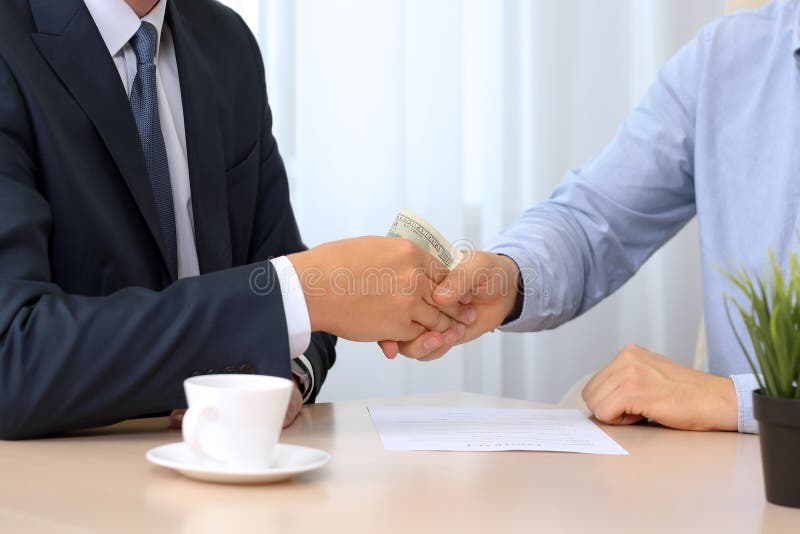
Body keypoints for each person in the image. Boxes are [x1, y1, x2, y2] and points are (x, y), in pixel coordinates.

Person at [0, 0, 470, 439]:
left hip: (228, 469)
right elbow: (12, 359)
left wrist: (289, 375)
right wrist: (304, 294)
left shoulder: (224, 41)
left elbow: (283, 269)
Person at [380, 0, 800, 434]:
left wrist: (735, 400)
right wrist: (511, 277)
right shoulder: (727, 56)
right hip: (735, 475)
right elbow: (592, 219)